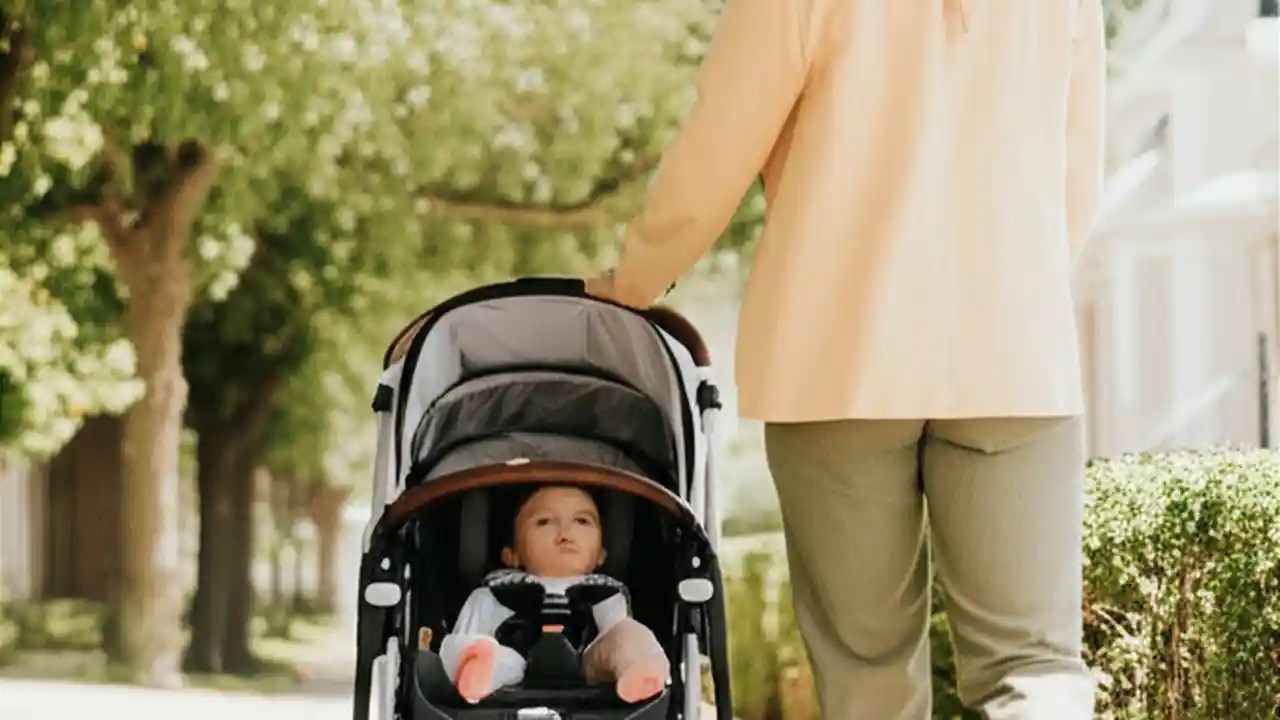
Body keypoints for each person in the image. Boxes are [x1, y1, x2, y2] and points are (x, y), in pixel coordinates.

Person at [586, 0, 1107, 717]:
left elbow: (718, 143)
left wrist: (636, 281)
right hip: (1014, 353)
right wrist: (1025, 294)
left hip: (836, 354)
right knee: (1033, 665)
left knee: (870, 672)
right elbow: (1078, 170)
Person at [439, 485, 669, 705]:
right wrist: (471, 649)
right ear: (512, 555)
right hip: (512, 659)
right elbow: (466, 632)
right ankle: (475, 670)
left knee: (625, 635)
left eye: (582, 521)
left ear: (601, 554)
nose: (565, 532)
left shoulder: (605, 593)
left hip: (588, 662)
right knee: (476, 647)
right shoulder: (494, 592)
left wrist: (623, 643)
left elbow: (612, 629)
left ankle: (638, 666)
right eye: (544, 522)